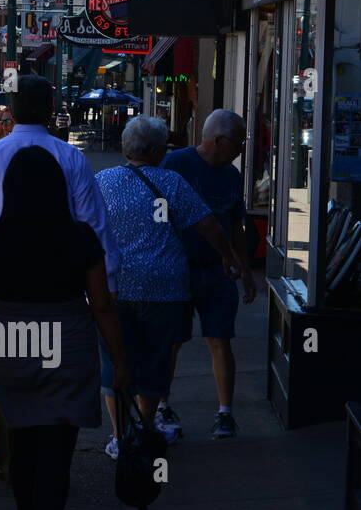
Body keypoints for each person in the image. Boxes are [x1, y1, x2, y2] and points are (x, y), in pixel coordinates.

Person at [0, 147, 129, 510]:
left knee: (22, 442)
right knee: (58, 449)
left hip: (12, 339)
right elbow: (102, 305)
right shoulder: (81, 236)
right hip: (69, 340)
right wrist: (120, 361)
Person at [0, 76, 120, 481]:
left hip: (3, 291)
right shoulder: (70, 157)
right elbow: (95, 228)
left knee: (8, 384)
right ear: (51, 109)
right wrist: (107, 296)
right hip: (64, 294)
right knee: (60, 384)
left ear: (12, 111)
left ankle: (11, 463)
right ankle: (51, 469)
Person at [95, 116, 241, 458]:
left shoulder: (102, 181)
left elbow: (84, 226)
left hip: (116, 287)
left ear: (125, 147)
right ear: (159, 151)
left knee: (114, 363)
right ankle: (144, 430)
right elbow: (208, 225)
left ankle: (120, 437)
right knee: (154, 361)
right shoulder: (172, 183)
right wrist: (229, 257)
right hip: (165, 289)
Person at [160, 110, 257, 440]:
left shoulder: (231, 175)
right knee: (171, 340)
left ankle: (225, 413)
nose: (242, 149)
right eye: (239, 142)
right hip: (179, 268)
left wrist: (244, 269)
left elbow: (237, 224)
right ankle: (162, 405)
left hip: (218, 271)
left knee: (220, 339)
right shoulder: (176, 165)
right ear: (217, 140)